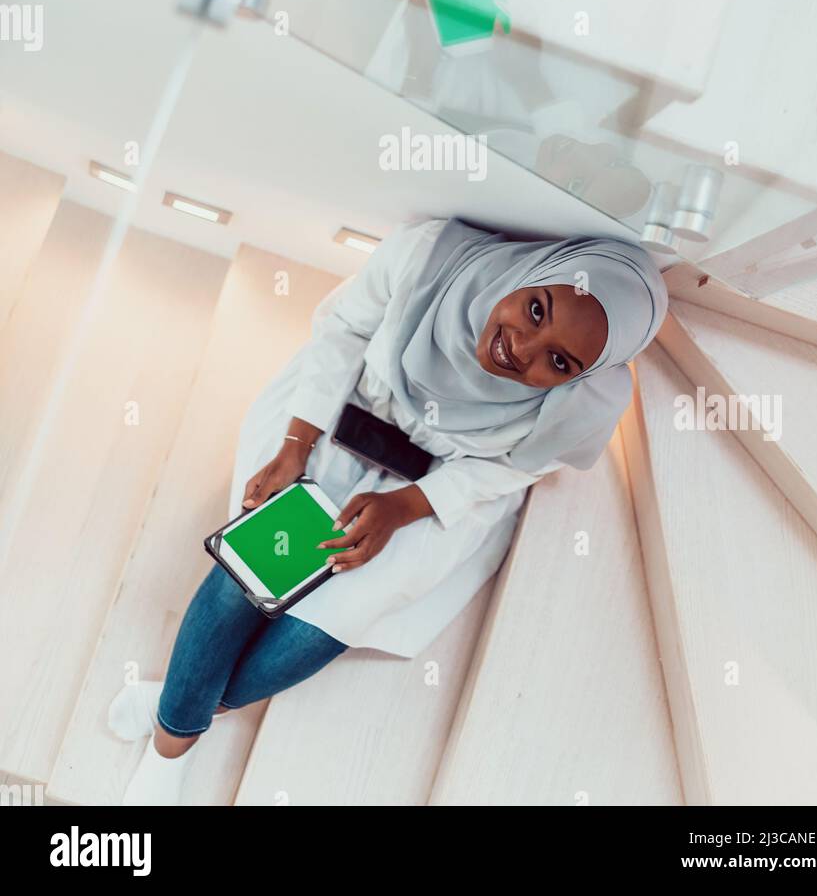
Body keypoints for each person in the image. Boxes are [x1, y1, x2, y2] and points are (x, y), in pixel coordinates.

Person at [112, 215, 668, 804]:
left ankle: (176, 711)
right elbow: (344, 330)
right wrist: (293, 448)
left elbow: (514, 467)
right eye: (536, 310)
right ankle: (170, 751)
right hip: (331, 426)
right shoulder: (429, 256)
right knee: (248, 578)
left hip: (431, 487)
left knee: (332, 619)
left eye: (558, 364)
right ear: (537, 273)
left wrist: (402, 508)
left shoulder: (590, 401)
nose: (520, 351)